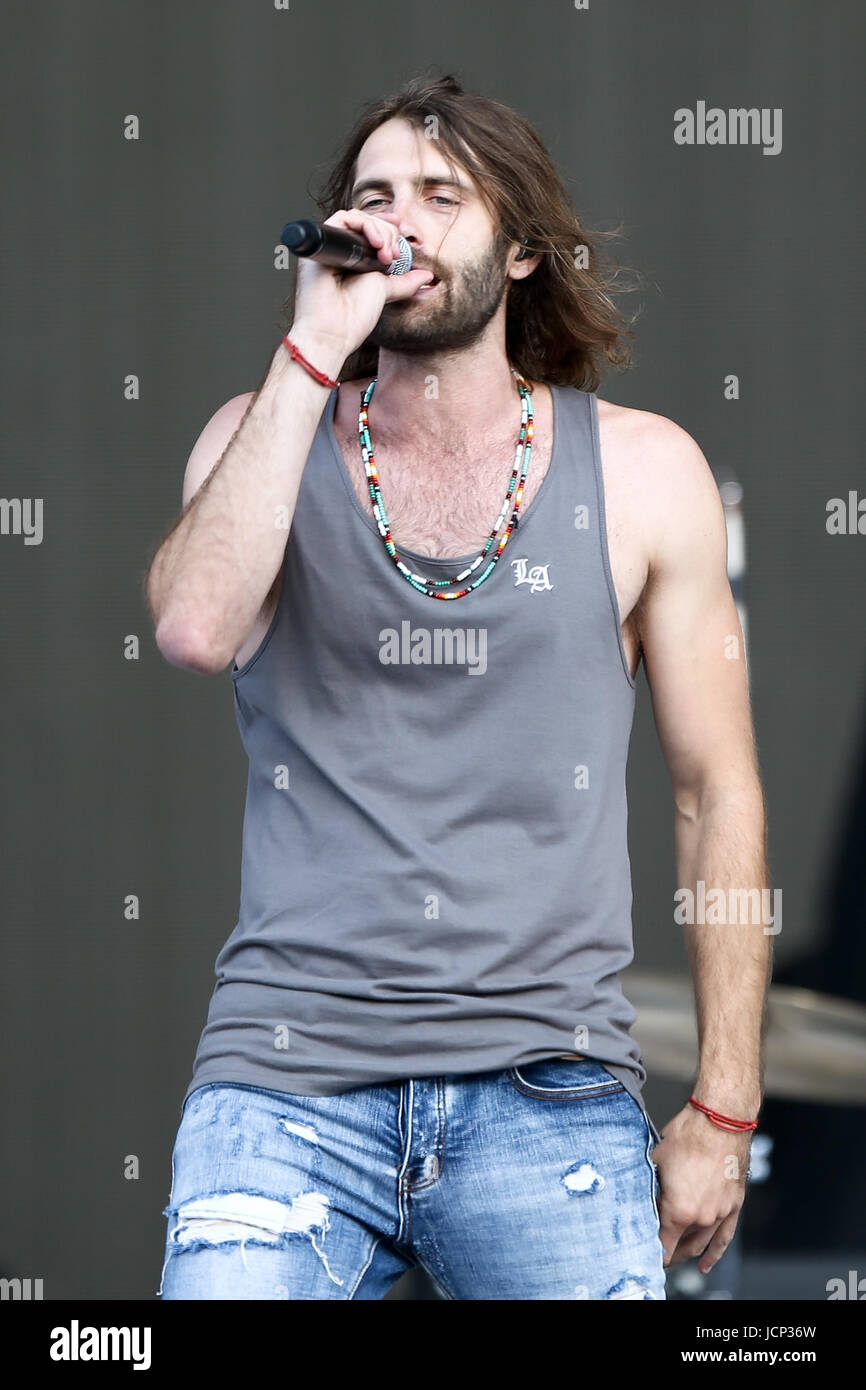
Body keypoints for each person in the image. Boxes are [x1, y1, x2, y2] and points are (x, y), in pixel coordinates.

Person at [145, 72, 771, 1301]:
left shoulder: (644, 473)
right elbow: (190, 627)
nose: (402, 222)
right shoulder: (254, 436)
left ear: (524, 248)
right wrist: (312, 349)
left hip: (550, 1088)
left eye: (441, 194)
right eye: (374, 197)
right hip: (286, 1079)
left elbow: (716, 795)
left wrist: (723, 1105)